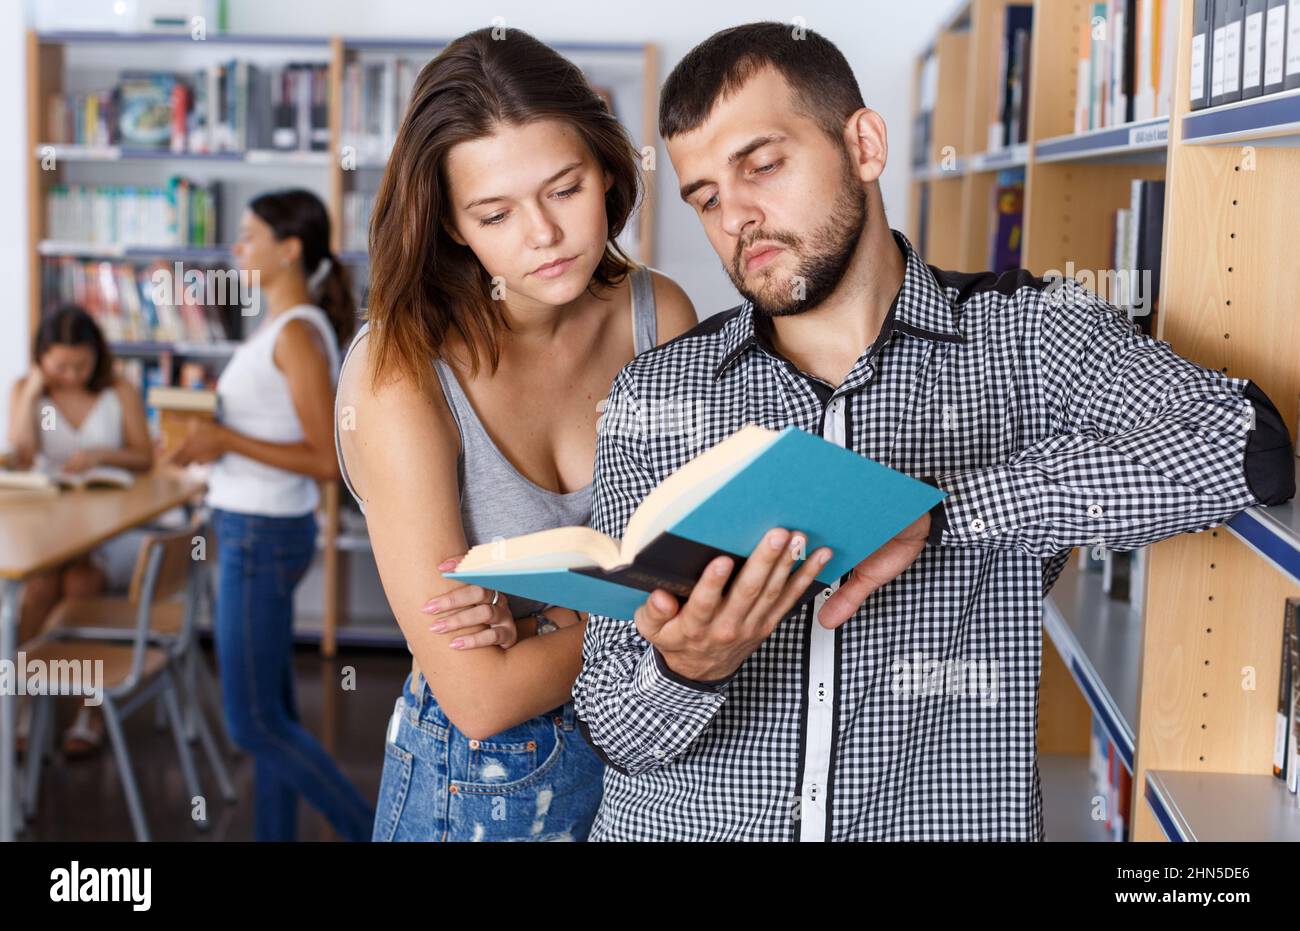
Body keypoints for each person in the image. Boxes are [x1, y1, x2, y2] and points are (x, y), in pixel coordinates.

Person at [571, 21, 1296, 841]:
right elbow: (612, 734)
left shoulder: (1031, 335)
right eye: (705, 197)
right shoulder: (655, 393)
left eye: (763, 165)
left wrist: (940, 514)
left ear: (866, 144)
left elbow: (1246, 443)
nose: (737, 216)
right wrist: (684, 670)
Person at [334, 27, 697, 842]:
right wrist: (653, 610)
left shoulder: (657, 316)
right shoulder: (400, 373)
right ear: (454, 224)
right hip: (481, 785)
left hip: (653, 759)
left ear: (607, 167)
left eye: (565, 189)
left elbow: (704, 554)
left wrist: (540, 625)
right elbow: (480, 694)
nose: (543, 234)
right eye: (494, 212)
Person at [167, 188, 374, 841]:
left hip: (260, 534)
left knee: (251, 722)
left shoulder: (297, 333)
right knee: (273, 711)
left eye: (249, 235)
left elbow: (324, 457)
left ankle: (371, 830)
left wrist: (225, 440)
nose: (237, 249)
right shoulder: (280, 325)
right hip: (252, 526)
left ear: (289, 249)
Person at [7, 304, 154, 757]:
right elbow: (22, 457)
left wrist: (100, 457)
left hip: (109, 526)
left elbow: (144, 457)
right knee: (41, 585)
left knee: (82, 580)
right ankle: (26, 705)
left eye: (81, 364)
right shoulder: (26, 390)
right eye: (59, 365)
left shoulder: (119, 390)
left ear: (97, 356)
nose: (70, 375)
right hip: (48, 526)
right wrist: (32, 391)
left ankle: (86, 709)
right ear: (41, 358)